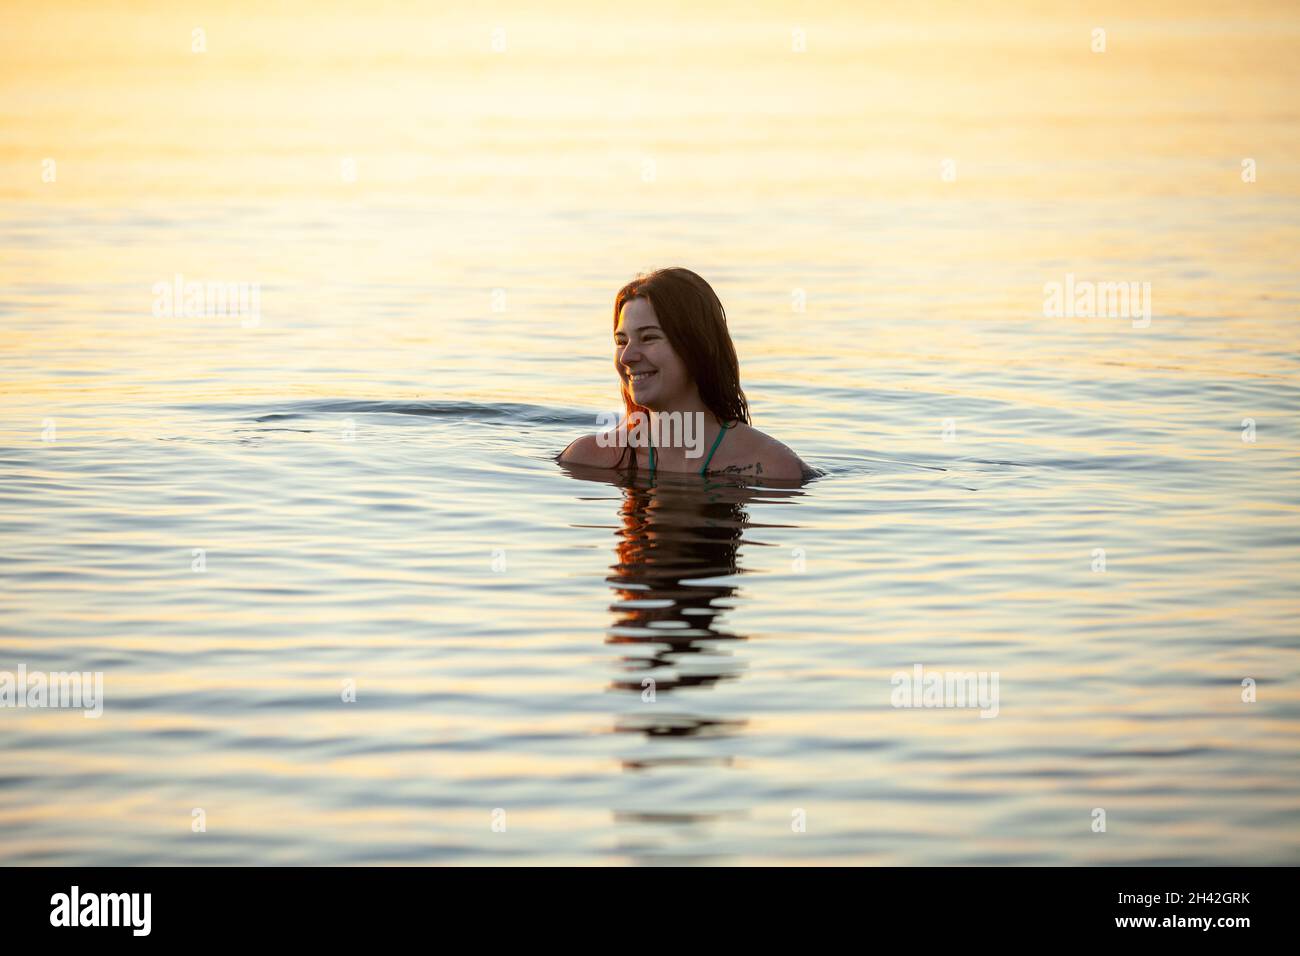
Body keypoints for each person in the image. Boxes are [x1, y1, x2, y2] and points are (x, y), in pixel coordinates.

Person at [558, 267, 809, 481]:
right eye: (621, 341)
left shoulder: (773, 467)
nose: (627, 357)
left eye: (649, 338)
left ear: (696, 347)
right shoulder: (588, 459)